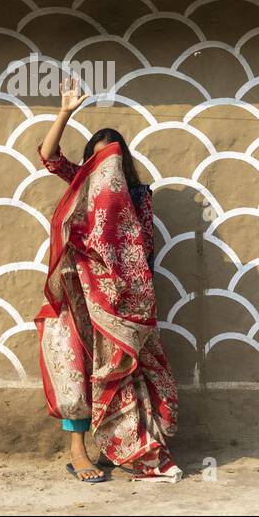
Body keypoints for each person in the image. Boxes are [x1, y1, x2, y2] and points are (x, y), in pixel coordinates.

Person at [34, 79, 181, 483]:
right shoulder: (82, 186)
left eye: (112, 162)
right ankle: (78, 452)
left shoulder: (139, 197)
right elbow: (49, 157)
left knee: (123, 369)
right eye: (98, 163)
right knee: (75, 364)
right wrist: (65, 111)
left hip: (124, 299)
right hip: (80, 290)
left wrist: (132, 302)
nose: (106, 172)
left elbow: (142, 252)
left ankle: (128, 446)